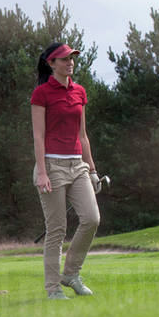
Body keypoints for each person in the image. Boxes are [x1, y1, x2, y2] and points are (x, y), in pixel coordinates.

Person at [30, 42, 100, 300]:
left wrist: (92, 169)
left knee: (92, 219)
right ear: (51, 64)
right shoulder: (42, 94)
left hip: (77, 165)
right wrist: (42, 172)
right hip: (51, 165)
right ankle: (53, 289)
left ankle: (70, 274)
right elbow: (38, 136)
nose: (70, 62)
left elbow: (82, 134)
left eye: (71, 58)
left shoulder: (79, 92)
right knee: (57, 229)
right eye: (64, 59)